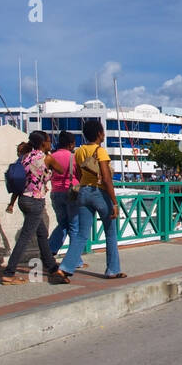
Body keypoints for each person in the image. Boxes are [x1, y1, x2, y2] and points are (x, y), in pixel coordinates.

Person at [1, 131, 69, 285]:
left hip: (23, 199)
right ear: (43, 143)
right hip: (35, 201)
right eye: (49, 141)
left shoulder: (25, 157)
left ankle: (51, 267)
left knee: (42, 233)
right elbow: (60, 170)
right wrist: (49, 155)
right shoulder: (46, 158)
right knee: (25, 237)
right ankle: (9, 272)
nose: (50, 144)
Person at [75, 119, 124, 278]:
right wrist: (115, 203)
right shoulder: (100, 150)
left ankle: (67, 266)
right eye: (103, 131)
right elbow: (107, 178)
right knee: (110, 232)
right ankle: (113, 270)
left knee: (82, 233)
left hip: (83, 191)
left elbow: (78, 173)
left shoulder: (79, 151)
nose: (104, 134)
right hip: (99, 192)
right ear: (98, 134)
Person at [47, 130, 88, 270]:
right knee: (74, 226)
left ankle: (50, 249)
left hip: (55, 192)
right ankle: (74, 260)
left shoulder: (51, 156)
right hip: (71, 192)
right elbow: (81, 174)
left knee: (63, 223)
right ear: (71, 144)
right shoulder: (73, 157)